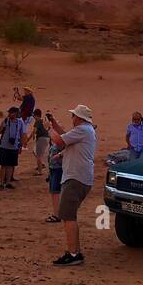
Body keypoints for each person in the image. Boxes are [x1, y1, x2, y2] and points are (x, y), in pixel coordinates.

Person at [47, 105, 97, 266]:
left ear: (80, 118)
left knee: (68, 216)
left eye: (74, 115)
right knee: (70, 216)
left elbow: (60, 140)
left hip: (75, 178)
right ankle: (75, 251)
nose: (72, 118)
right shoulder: (85, 130)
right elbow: (66, 137)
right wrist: (54, 123)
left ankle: (74, 253)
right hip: (78, 177)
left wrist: (48, 130)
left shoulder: (83, 129)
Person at [0, 106, 29, 190]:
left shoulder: (20, 123)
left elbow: (22, 135)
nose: (9, 114)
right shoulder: (6, 121)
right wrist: (2, 128)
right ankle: (2, 183)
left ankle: (8, 182)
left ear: (16, 114)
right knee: (3, 165)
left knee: (10, 165)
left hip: (14, 147)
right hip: (4, 146)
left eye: (11, 112)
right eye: (9, 113)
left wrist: (20, 146)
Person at [45, 141, 64, 223]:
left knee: (55, 192)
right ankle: (57, 213)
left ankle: (57, 214)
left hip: (58, 169)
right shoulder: (55, 144)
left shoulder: (61, 143)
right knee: (54, 192)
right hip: (54, 168)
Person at [32, 108, 51, 176]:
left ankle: (40, 171)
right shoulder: (43, 121)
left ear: (36, 115)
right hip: (46, 138)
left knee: (39, 155)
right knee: (36, 152)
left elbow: (34, 131)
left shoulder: (38, 121)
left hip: (41, 139)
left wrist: (32, 137)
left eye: (34, 116)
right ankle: (41, 164)